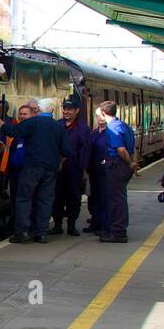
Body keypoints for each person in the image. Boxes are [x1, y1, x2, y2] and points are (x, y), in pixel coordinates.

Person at [0, 98, 69, 244]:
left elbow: (11, 131)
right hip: (50, 169)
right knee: (45, 200)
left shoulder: (33, 123)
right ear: (52, 110)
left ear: (38, 110)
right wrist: (59, 163)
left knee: (24, 198)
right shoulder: (59, 127)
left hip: (32, 166)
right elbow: (66, 151)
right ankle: (42, 234)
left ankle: (23, 232)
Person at [51, 95, 92, 236]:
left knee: (74, 198)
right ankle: (57, 224)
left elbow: (87, 149)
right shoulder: (56, 125)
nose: (66, 112)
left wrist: (85, 168)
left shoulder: (83, 128)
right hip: (58, 169)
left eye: (70, 109)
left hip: (75, 168)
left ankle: (71, 225)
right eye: (65, 109)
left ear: (77, 111)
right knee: (57, 197)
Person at [98, 100, 137, 243]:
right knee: (120, 198)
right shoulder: (124, 126)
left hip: (116, 165)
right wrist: (133, 164)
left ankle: (118, 232)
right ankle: (119, 229)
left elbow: (120, 149)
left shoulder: (112, 128)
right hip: (123, 167)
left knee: (116, 200)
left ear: (102, 113)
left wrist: (130, 162)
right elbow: (133, 147)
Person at [3, 100, 37, 226]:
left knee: (26, 198)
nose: (22, 116)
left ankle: (27, 225)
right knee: (15, 197)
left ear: (32, 115)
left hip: (28, 170)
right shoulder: (16, 129)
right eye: (21, 114)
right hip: (14, 170)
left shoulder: (34, 129)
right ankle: (17, 222)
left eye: (25, 114)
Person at [84, 107, 109, 234]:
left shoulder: (111, 133)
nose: (99, 118)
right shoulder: (94, 133)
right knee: (93, 198)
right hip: (93, 170)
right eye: (97, 116)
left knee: (104, 199)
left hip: (105, 171)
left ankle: (105, 225)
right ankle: (95, 222)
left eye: (102, 116)